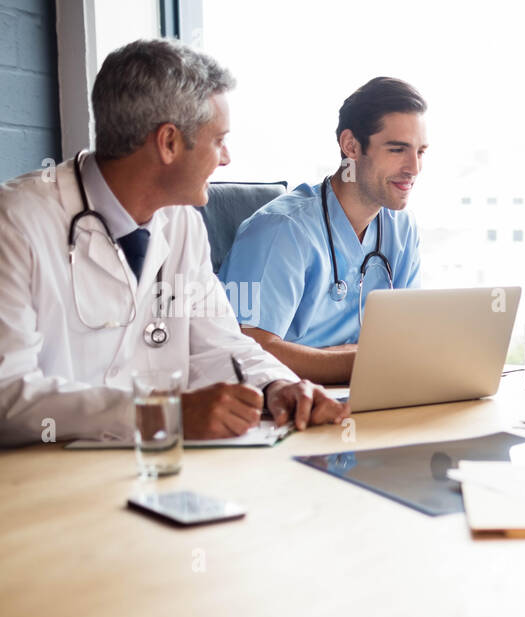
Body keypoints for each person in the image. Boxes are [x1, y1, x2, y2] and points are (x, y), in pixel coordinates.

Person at [0, 39, 344, 447]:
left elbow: (220, 343)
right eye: (219, 140)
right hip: (41, 478)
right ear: (168, 142)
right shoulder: (17, 222)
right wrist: (162, 414)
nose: (226, 158)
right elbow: (8, 395)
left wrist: (278, 385)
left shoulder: (181, 223)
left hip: (153, 467)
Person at [220, 78, 427, 384]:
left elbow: (406, 341)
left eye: (421, 152)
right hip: (287, 408)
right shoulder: (281, 230)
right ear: (351, 146)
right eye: (398, 150)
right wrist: (362, 360)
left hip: (369, 400)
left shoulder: (401, 229)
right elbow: (246, 349)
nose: (414, 168)